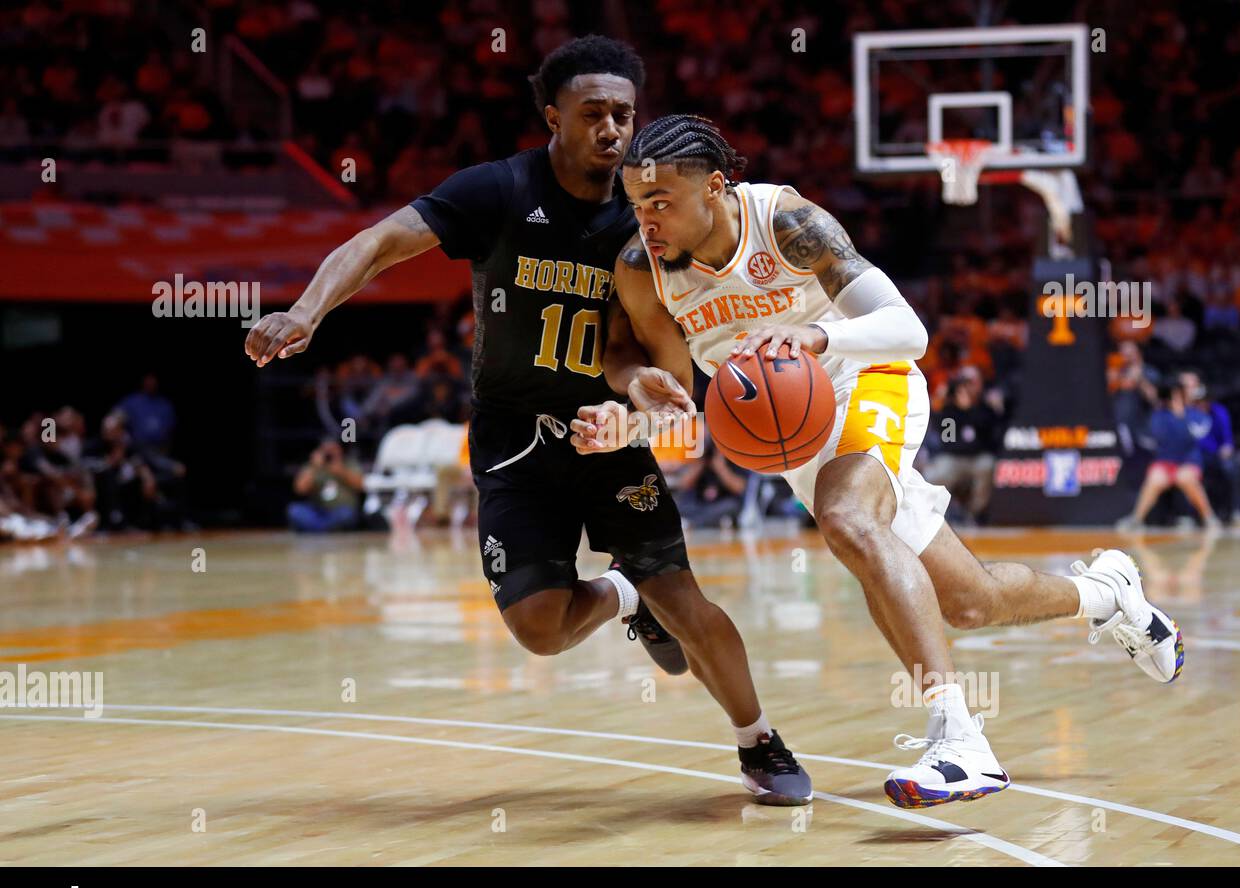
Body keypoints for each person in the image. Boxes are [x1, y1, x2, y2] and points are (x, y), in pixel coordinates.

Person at [244, 38, 811, 805]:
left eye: (623, 114)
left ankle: (759, 742)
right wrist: (307, 310)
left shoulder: (646, 217)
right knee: (540, 630)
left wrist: (644, 392)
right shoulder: (500, 190)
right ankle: (621, 595)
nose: (613, 130)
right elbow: (379, 241)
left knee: (686, 597)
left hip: (607, 434)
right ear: (553, 117)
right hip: (512, 434)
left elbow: (641, 349)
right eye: (593, 114)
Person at [575, 114, 1185, 809]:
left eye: (661, 203)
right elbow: (677, 401)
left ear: (715, 187)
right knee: (969, 601)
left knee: (847, 516)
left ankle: (961, 742)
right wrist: (626, 418)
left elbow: (908, 330)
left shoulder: (787, 222)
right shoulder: (640, 270)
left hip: (865, 380)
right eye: (636, 204)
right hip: (790, 434)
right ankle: (1109, 592)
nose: (645, 219)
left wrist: (813, 336)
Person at [1118, 381, 1221, 530]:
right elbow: (1157, 437)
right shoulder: (1159, 415)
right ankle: (1136, 519)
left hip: (1188, 461)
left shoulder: (1195, 415)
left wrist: (1180, 416)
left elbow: (1193, 435)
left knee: (1185, 478)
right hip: (1165, 461)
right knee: (1154, 478)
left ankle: (1209, 517)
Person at [924, 367, 1000, 524]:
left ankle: (973, 514)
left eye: (971, 383)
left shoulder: (986, 405)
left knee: (987, 464)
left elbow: (989, 433)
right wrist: (942, 404)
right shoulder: (949, 409)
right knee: (933, 474)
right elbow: (947, 440)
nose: (968, 389)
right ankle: (937, 514)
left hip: (976, 459)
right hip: (953, 458)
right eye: (964, 384)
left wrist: (970, 409)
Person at [1179, 369, 1240, 527]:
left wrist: (1227, 448)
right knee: (1185, 469)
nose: (1202, 401)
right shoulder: (1184, 412)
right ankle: (1187, 515)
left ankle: (1236, 512)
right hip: (1193, 456)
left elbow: (1227, 440)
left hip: (1216, 455)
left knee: (1232, 467)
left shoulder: (1218, 411)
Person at [288, 439, 364, 533]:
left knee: (347, 514)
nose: (330, 453)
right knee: (295, 510)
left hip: (340, 511)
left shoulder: (349, 463)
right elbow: (300, 489)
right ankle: (324, 529)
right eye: (326, 450)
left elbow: (361, 486)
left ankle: (318, 530)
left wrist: (341, 471)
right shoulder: (313, 466)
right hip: (318, 512)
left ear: (340, 450)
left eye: (333, 449)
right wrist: (314, 467)